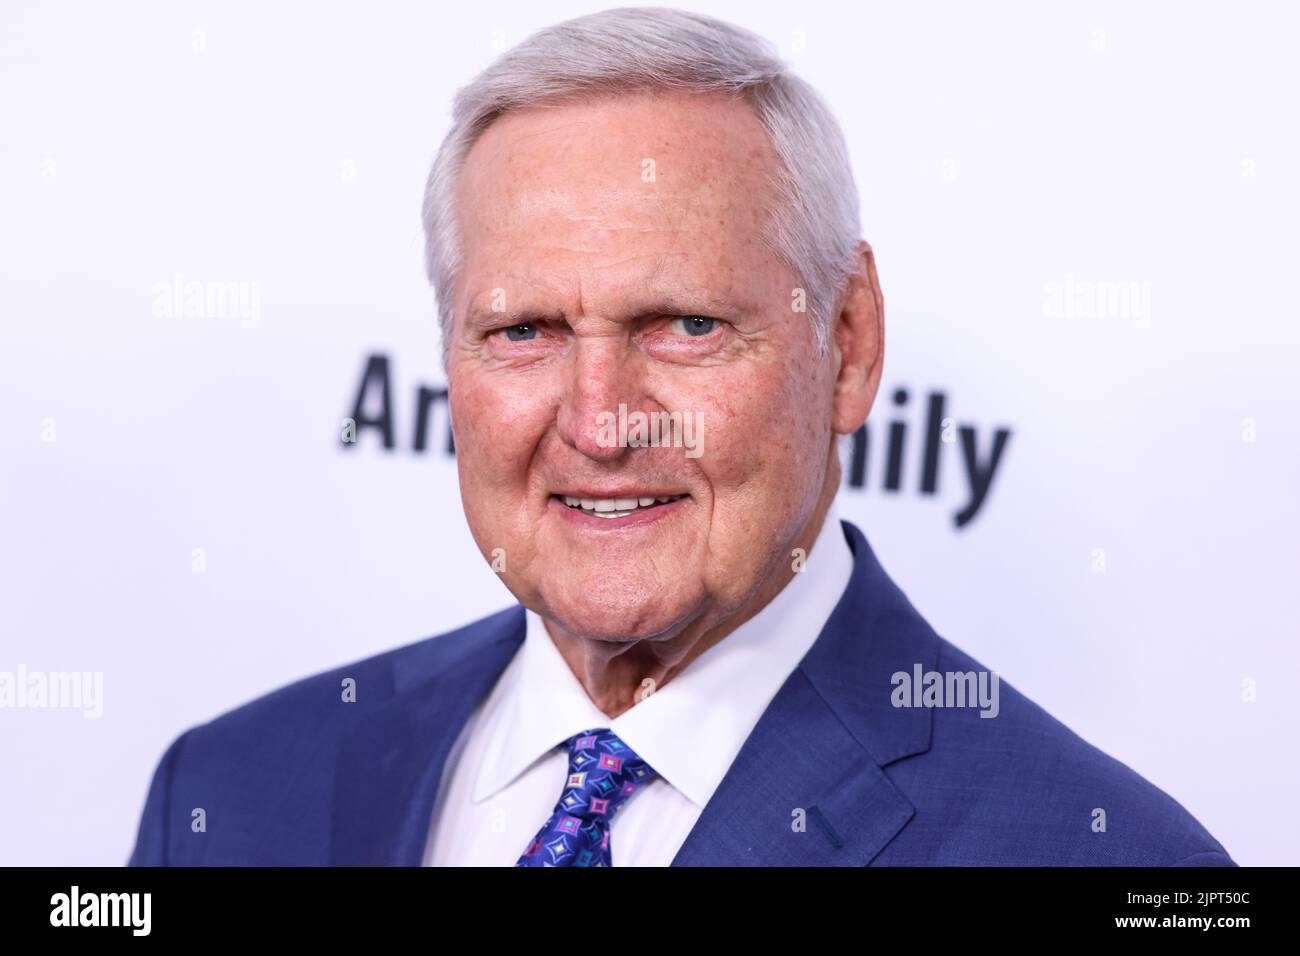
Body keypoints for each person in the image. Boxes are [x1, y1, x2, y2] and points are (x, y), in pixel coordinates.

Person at [129, 7, 1234, 867]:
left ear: (846, 343)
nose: (603, 420)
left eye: (687, 325)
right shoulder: (229, 792)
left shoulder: (1096, 854)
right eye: (522, 330)